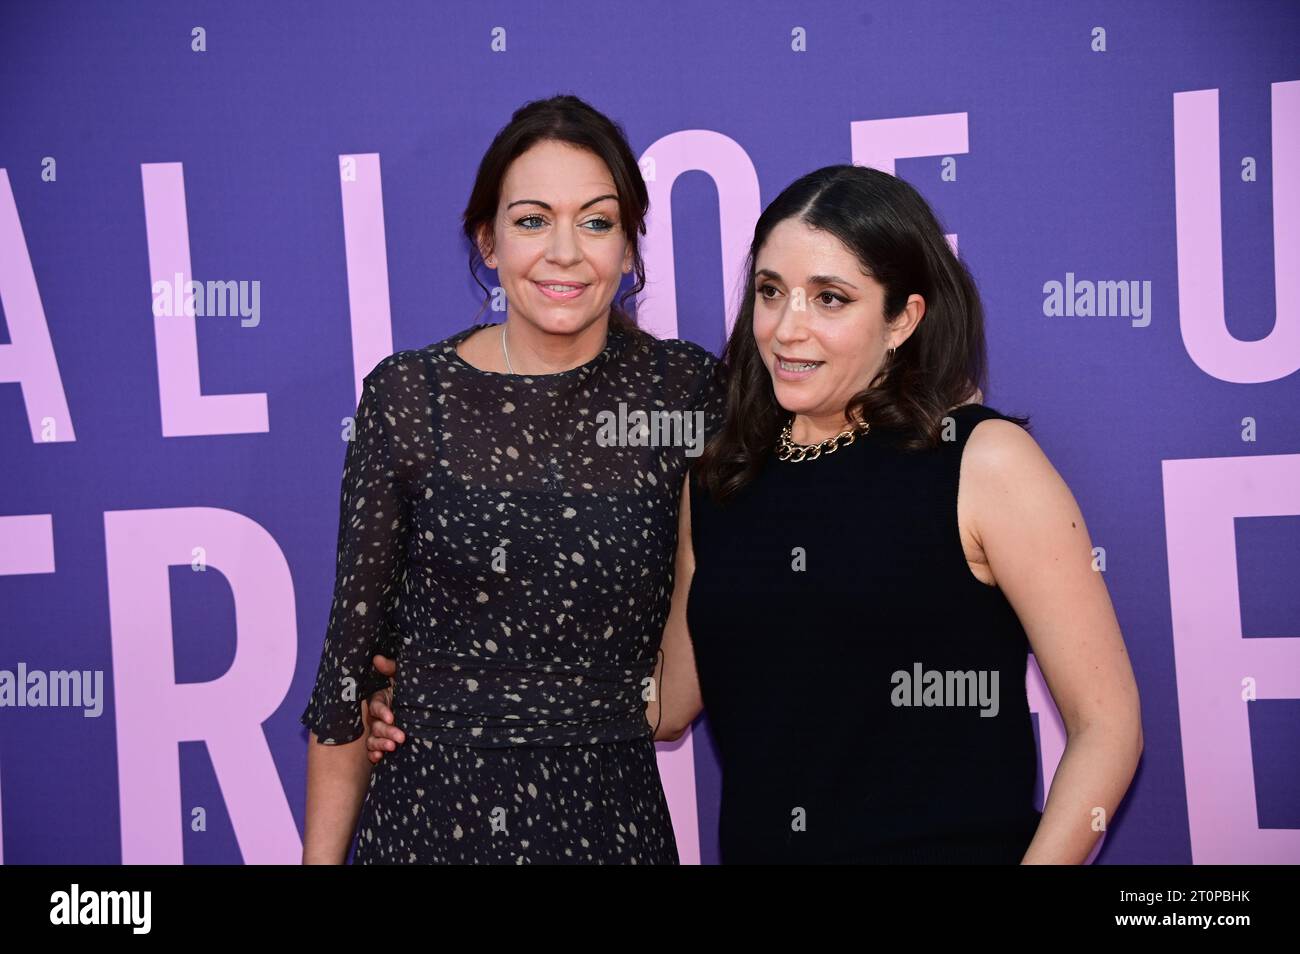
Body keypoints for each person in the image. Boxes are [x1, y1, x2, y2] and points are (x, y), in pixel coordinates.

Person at [300, 94, 723, 864]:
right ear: (487, 242)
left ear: (629, 248)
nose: (565, 251)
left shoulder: (685, 393)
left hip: (610, 826)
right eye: (532, 220)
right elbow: (345, 677)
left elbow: (700, 647)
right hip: (427, 823)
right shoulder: (409, 396)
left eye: (596, 221)